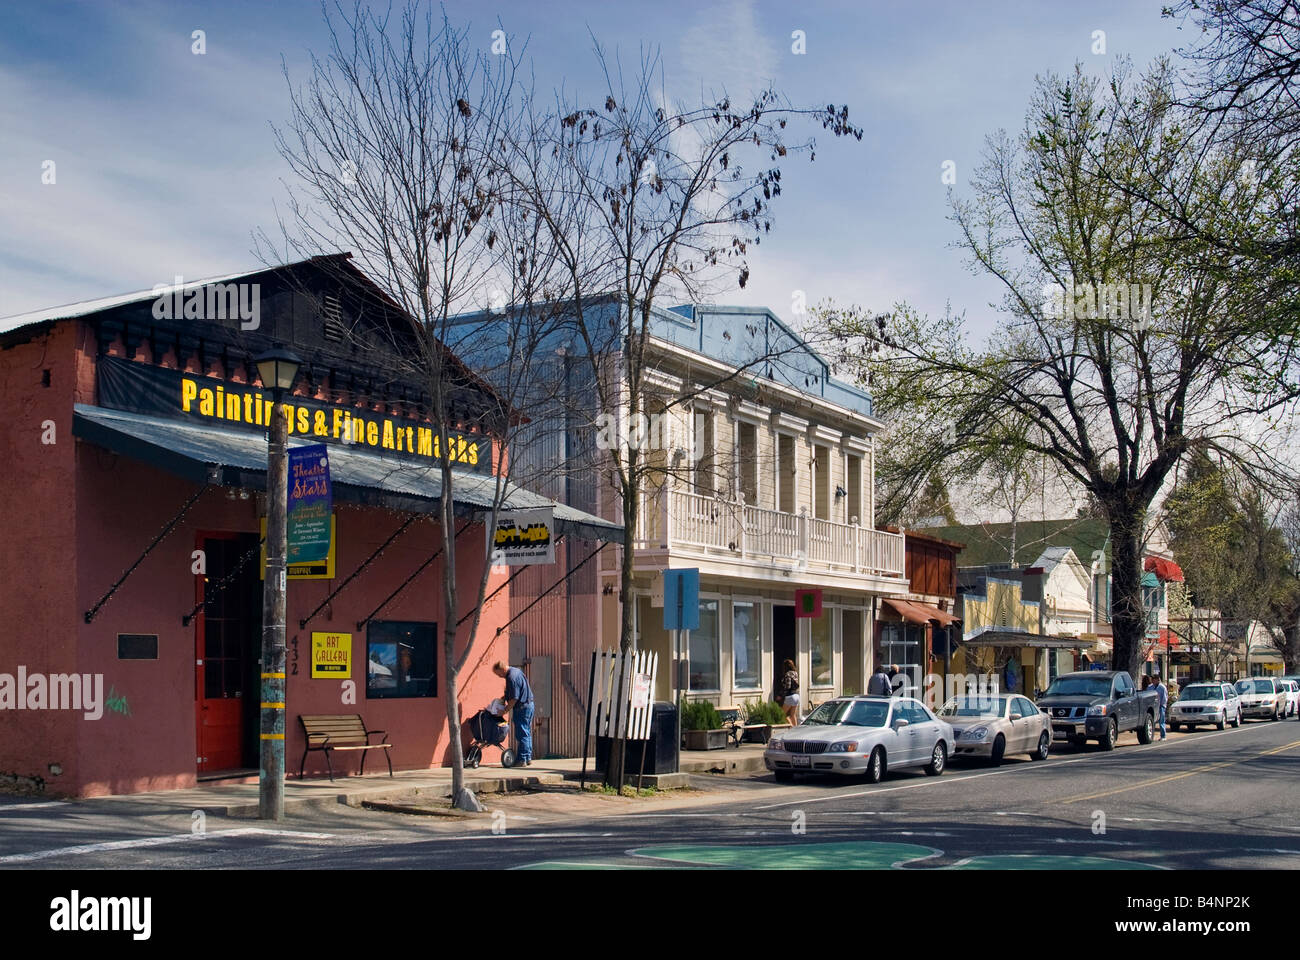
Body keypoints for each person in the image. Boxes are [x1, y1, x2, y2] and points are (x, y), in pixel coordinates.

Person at [493, 661, 535, 766]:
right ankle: (528, 757)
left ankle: (522, 759)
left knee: (522, 733)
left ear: (502, 669)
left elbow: (514, 698)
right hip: (529, 705)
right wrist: (504, 697)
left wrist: (505, 710)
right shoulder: (516, 671)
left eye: (498, 674)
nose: (499, 677)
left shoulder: (511, 677)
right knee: (526, 732)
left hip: (521, 707)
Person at [777, 658, 801, 726]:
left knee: (782, 714)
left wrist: (780, 695)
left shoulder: (787, 674)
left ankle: (791, 728)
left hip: (790, 696)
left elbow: (788, 687)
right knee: (793, 715)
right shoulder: (795, 673)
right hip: (796, 695)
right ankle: (796, 729)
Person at [1154, 672, 1168, 740]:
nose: (1153, 680)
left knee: (1161, 721)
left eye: (1154, 679)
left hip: (1160, 706)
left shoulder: (1162, 687)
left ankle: (1163, 736)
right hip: (1153, 707)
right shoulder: (1150, 687)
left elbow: (1164, 698)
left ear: (1158, 679)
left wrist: (1162, 706)